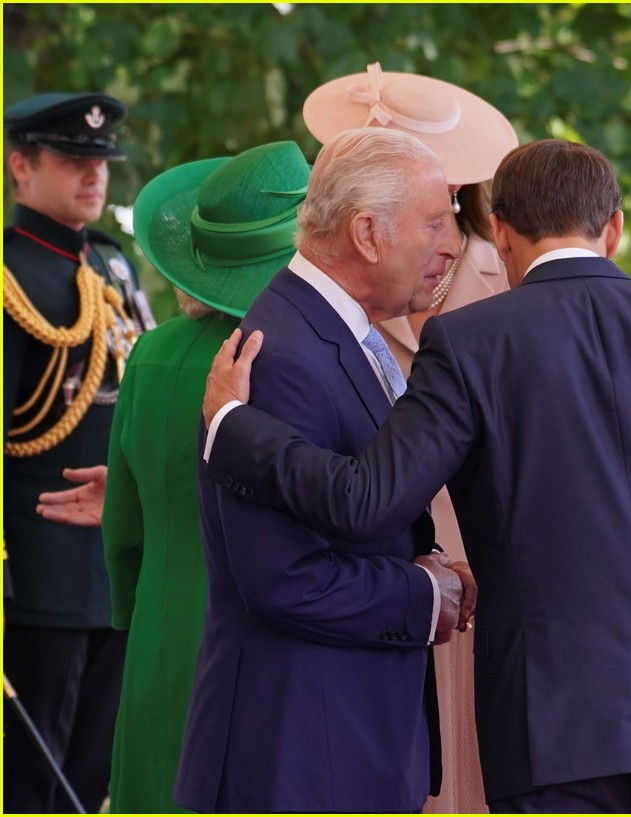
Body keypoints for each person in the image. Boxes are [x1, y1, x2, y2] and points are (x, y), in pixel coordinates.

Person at [201, 138, 631, 813]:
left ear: (501, 229)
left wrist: (234, 427)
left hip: (552, 733)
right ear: (616, 227)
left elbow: (365, 497)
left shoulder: (468, 343)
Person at [174, 127, 472, 813]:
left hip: (340, 735)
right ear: (367, 233)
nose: (452, 244)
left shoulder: (333, 328)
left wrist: (426, 556)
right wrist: (425, 597)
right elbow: (283, 579)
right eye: (434, 221)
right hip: (298, 749)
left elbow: (364, 507)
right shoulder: (284, 353)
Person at [36, 141, 311, 812]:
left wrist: (141, 613)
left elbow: (124, 534)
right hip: (259, 648)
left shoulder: (154, 350)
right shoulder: (294, 359)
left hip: (159, 641)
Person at [303, 63, 518, 813]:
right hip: (375, 531)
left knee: (470, 732)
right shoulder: (335, 280)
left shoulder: (498, 272)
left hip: (470, 525)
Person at [3, 91, 156, 813]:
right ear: (20, 167)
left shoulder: (113, 265)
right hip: (37, 571)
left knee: (92, 774)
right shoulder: (10, 278)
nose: (93, 175)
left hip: (112, 564)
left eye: (100, 160)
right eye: (72, 159)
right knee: (32, 780)